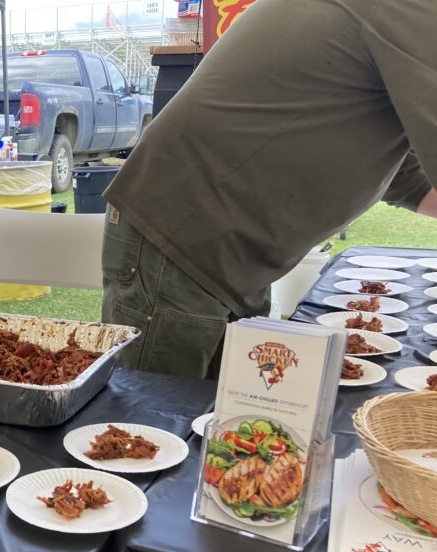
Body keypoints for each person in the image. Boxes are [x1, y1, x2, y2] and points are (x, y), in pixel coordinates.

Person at [101, 0, 437, 380]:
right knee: (154, 420)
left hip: (230, 248)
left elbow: (399, 168)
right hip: (185, 236)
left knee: (227, 416)